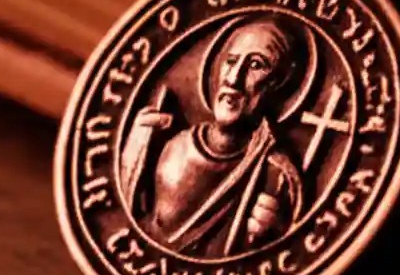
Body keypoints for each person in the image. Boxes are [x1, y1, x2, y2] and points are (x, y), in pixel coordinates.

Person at [120, 15, 304, 257]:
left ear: (278, 84)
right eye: (231, 62)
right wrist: (130, 165)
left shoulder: (276, 175)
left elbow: (292, 255)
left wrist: (272, 237)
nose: (233, 79)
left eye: (256, 65)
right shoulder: (171, 145)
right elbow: (133, 227)